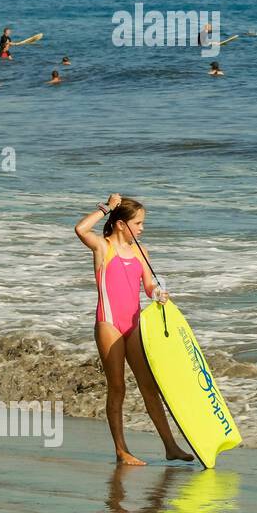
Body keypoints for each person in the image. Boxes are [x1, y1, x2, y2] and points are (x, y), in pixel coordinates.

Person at [74, 194, 194, 465]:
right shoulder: (103, 248)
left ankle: (170, 446)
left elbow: (149, 286)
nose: (142, 228)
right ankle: (121, 450)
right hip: (109, 324)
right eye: (137, 223)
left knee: (149, 386)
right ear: (121, 224)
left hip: (133, 325)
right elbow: (80, 229)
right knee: (117, 388)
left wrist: (158, 293)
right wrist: (107, 207)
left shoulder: (141, 251)